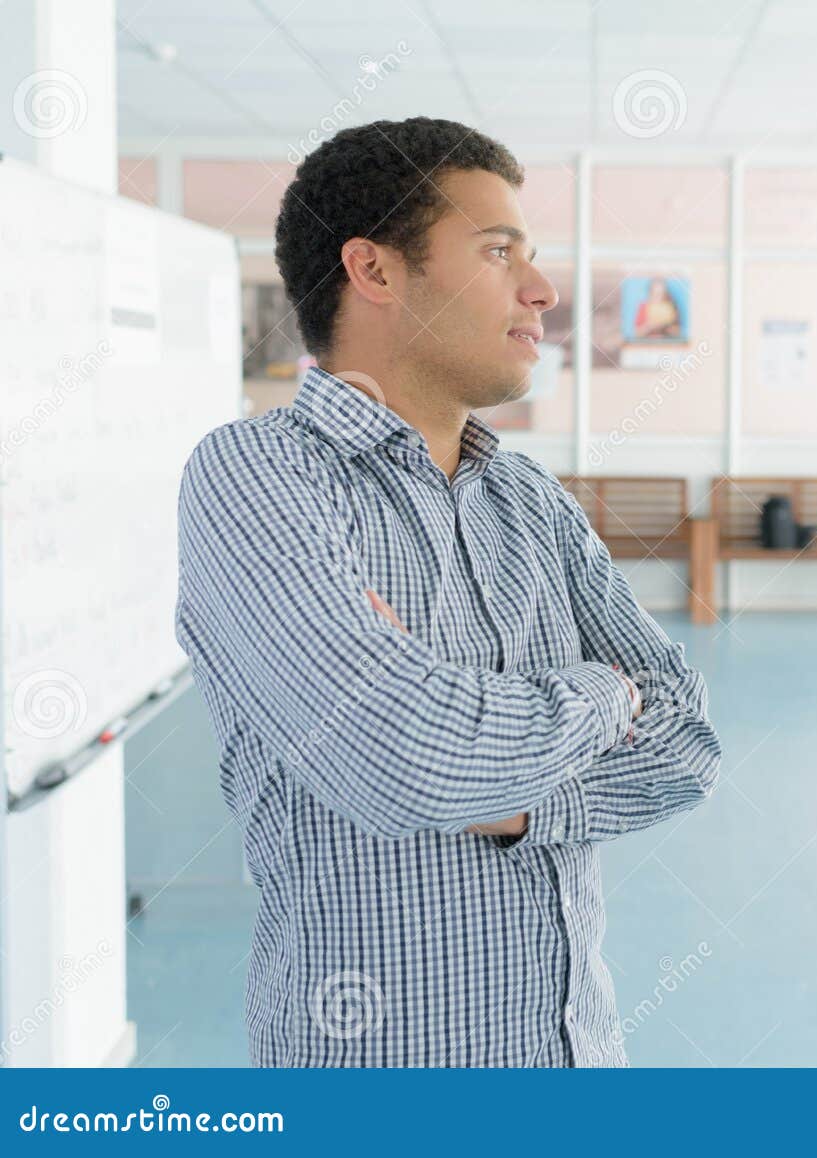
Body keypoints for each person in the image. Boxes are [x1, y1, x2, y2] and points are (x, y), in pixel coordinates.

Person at [176, 117, 720, 1067]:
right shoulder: (254, 476)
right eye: (499, 250)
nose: (542, 290)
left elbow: (687, 748)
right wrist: (607, 696)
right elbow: (410, 761)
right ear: (376, 271)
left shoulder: (528, 500)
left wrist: (508, 795)